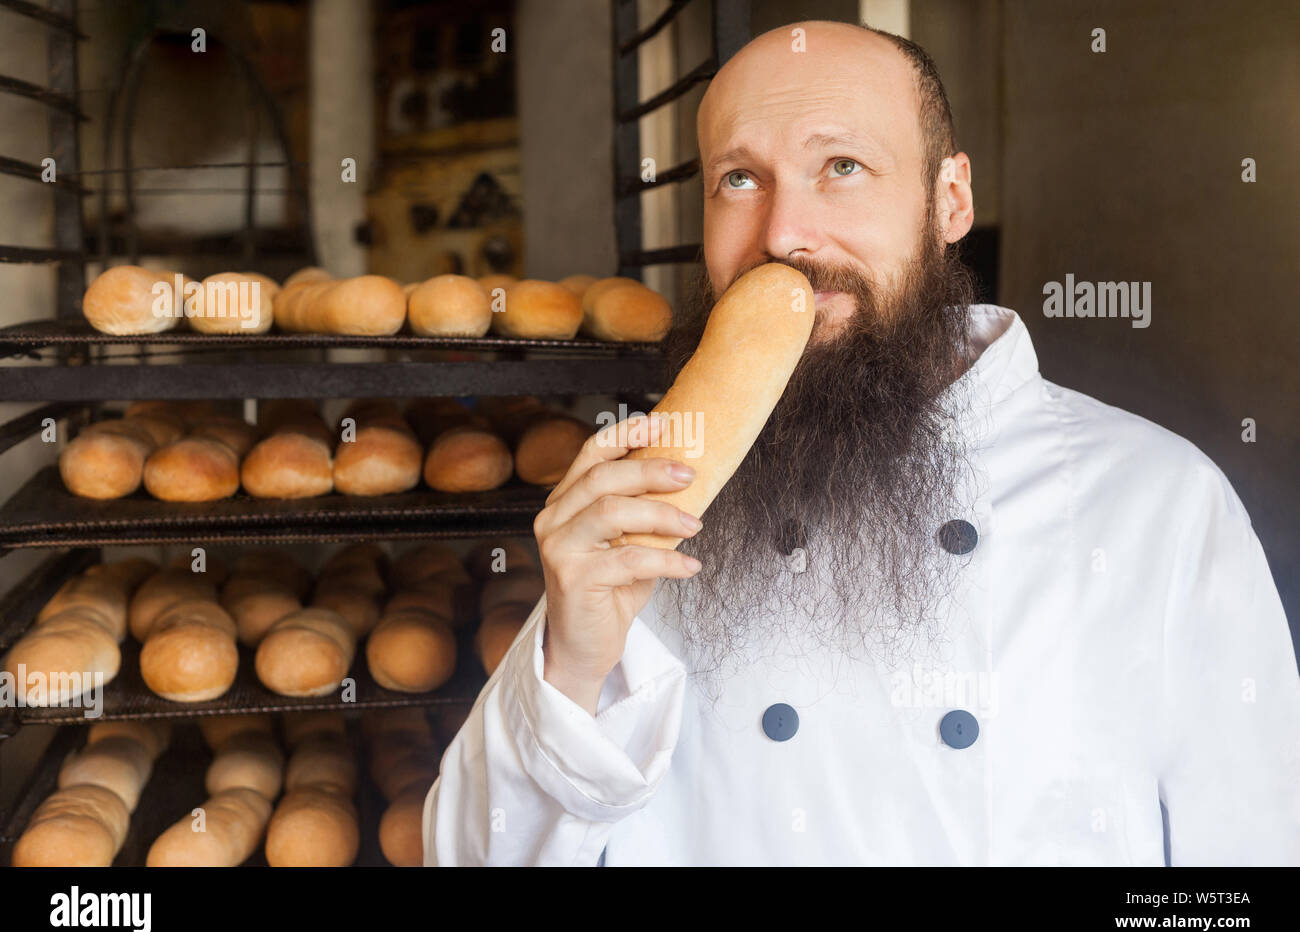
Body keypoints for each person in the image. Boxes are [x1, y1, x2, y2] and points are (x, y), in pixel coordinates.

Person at [424, 20, 1299, 865]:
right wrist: (573, 663)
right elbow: (465, 856)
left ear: (949, 199)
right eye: (738, 179)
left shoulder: (1158, 505)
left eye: (841, 166)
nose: (782, 235)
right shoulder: (649, 503)